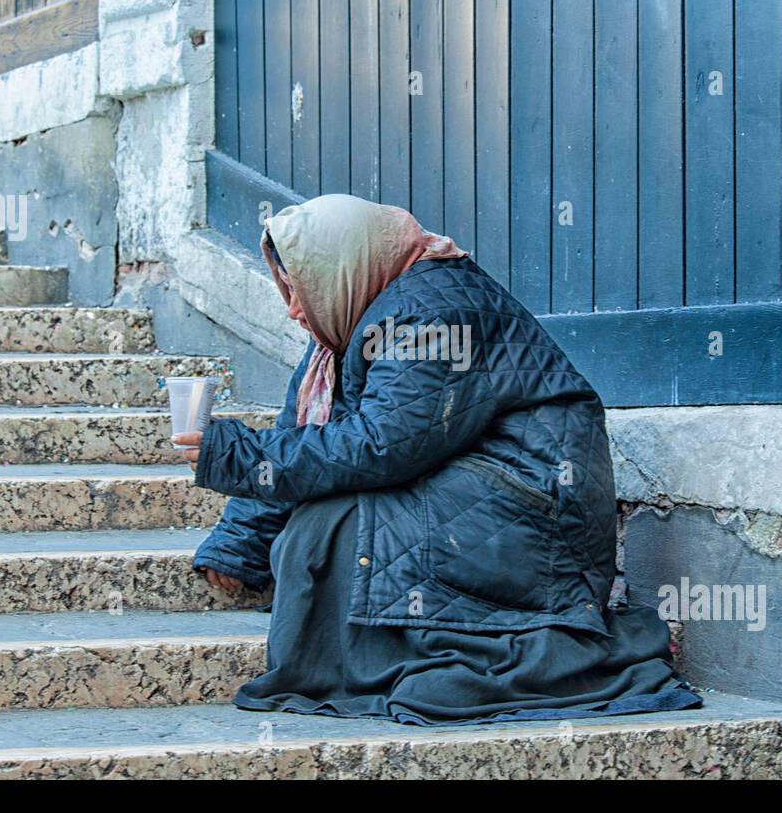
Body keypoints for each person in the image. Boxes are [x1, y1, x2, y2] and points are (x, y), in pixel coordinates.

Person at [173, 193, 701, 725]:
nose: (292, 310)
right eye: (287, 292)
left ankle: (392, 657)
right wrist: (239, 544)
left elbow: (383, 445)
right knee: (323, 522)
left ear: (344, 266)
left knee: (331, 525)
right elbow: (306, 429)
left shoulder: (438, 310)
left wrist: (232, 453)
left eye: (299, 290)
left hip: (537, 514)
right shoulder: (355, 319)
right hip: (479, 489)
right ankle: (365, 653)